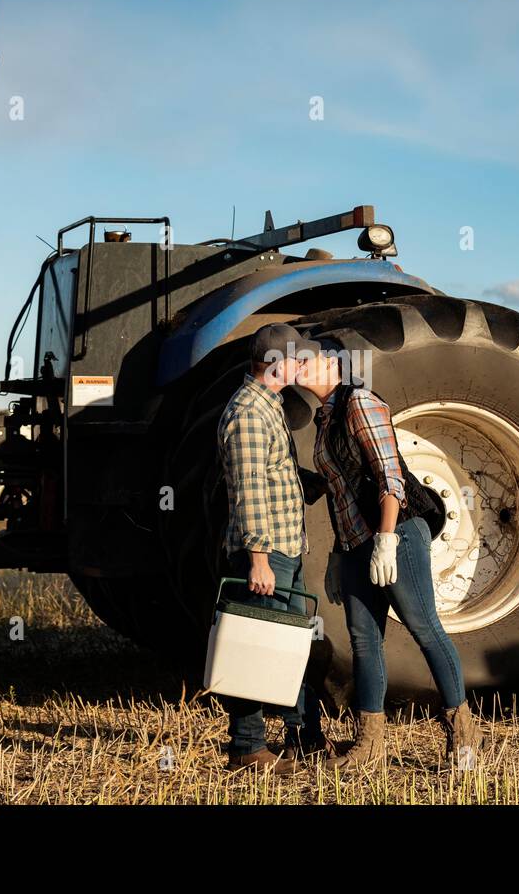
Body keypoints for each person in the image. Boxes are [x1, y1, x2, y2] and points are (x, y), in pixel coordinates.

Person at [300, 345, 483, 769]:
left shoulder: (360, 402)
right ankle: (369, 746)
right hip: (354, 544)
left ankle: (465, 736)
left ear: (331, 365)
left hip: (396, 532)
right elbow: (341, 491)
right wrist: (336, 554)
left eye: (306, 361)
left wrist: (386, 539)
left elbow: (389, 475)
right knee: (365, 641)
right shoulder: (324, 418)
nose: (298, 369)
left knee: (425, 628)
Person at [215, 323, 330, 773]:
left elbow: (274, 474)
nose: (302, 366)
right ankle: (247, 748)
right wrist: (259, 559)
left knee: (291, 645)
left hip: (286, 546)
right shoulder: (247, 413)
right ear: (276, 364)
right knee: (259, 647)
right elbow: (249, 490)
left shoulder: (268, 405)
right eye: (296, 358)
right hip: (266, 554)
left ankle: (305, 736)